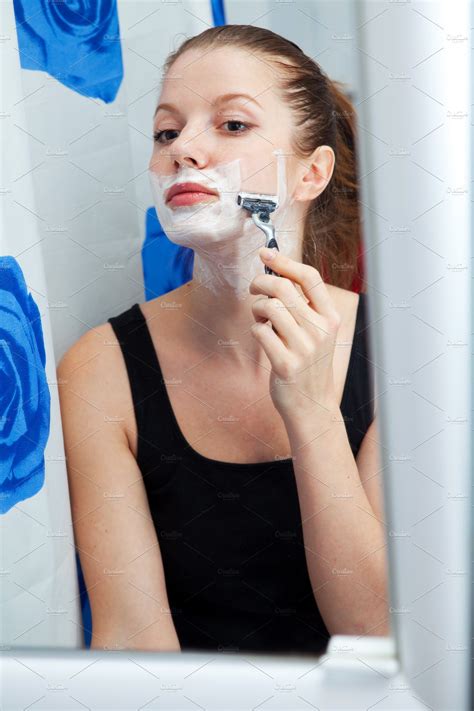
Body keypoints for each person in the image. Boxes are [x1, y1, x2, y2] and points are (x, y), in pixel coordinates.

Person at [57, 25, 389, 656]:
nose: (185, 149)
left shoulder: (405, 356)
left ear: (312, 173)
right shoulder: (101, 370)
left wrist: (314, 414)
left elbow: (382, 634)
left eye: (232, 125)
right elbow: (132, 644)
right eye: (166, 131)